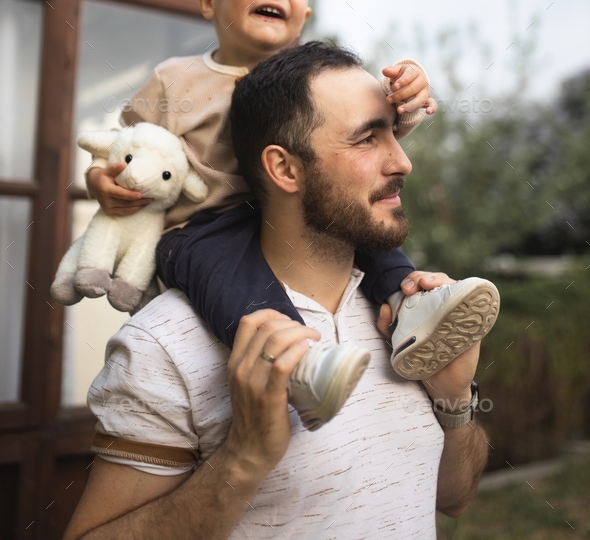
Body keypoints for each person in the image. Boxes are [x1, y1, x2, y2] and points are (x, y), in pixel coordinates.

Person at [65, 42, 490, 540]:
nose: (403, 162)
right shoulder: (164, 345)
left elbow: (454, 500)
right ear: (284, 168)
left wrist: (455, 399)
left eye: (393, 135)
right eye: (366, 140)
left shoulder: (409, 320)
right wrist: (243, 458)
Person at [85, 0, 499, 428]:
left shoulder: (316, 84)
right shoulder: (176, 79)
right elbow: (127, 145)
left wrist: (408, 95)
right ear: (209, 1)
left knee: (359, 215)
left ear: (304, 14)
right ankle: (300, 368)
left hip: (294, 210)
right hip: (202, 227)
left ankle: (409, 305)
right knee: (229, 279)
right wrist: (103, 182)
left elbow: (362, 133)